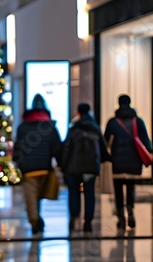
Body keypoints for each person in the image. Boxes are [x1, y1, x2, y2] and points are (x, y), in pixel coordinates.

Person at [14, 94, 62, 235]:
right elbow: (57, 148)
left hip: (28, 169)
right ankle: (37, 219)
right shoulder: (50, 127)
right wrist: (60, 164)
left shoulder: (23, 128)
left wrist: (18, 163)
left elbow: (18, 148)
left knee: (31, 198)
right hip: (44, 168)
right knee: (39, 196)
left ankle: (35, 221)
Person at [104, 94, 153, 230]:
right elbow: (146, 141)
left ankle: (121, 217)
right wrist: (149, 153)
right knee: (131, 188)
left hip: (118, 163)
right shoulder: (138, 122)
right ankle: (130, 211)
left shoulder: (112, 122)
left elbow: (105, 142)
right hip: (134, 162)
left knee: (118, 190)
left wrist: (107, 157)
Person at [61, 103, 105, 233]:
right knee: (89, 193)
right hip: (91, 167)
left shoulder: (73, 129)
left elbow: (67, 148)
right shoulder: (95, 128)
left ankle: (74, 217)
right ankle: (88, 221)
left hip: (73, 167)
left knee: (73, 192)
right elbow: (103, 148)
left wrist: (63, 165)